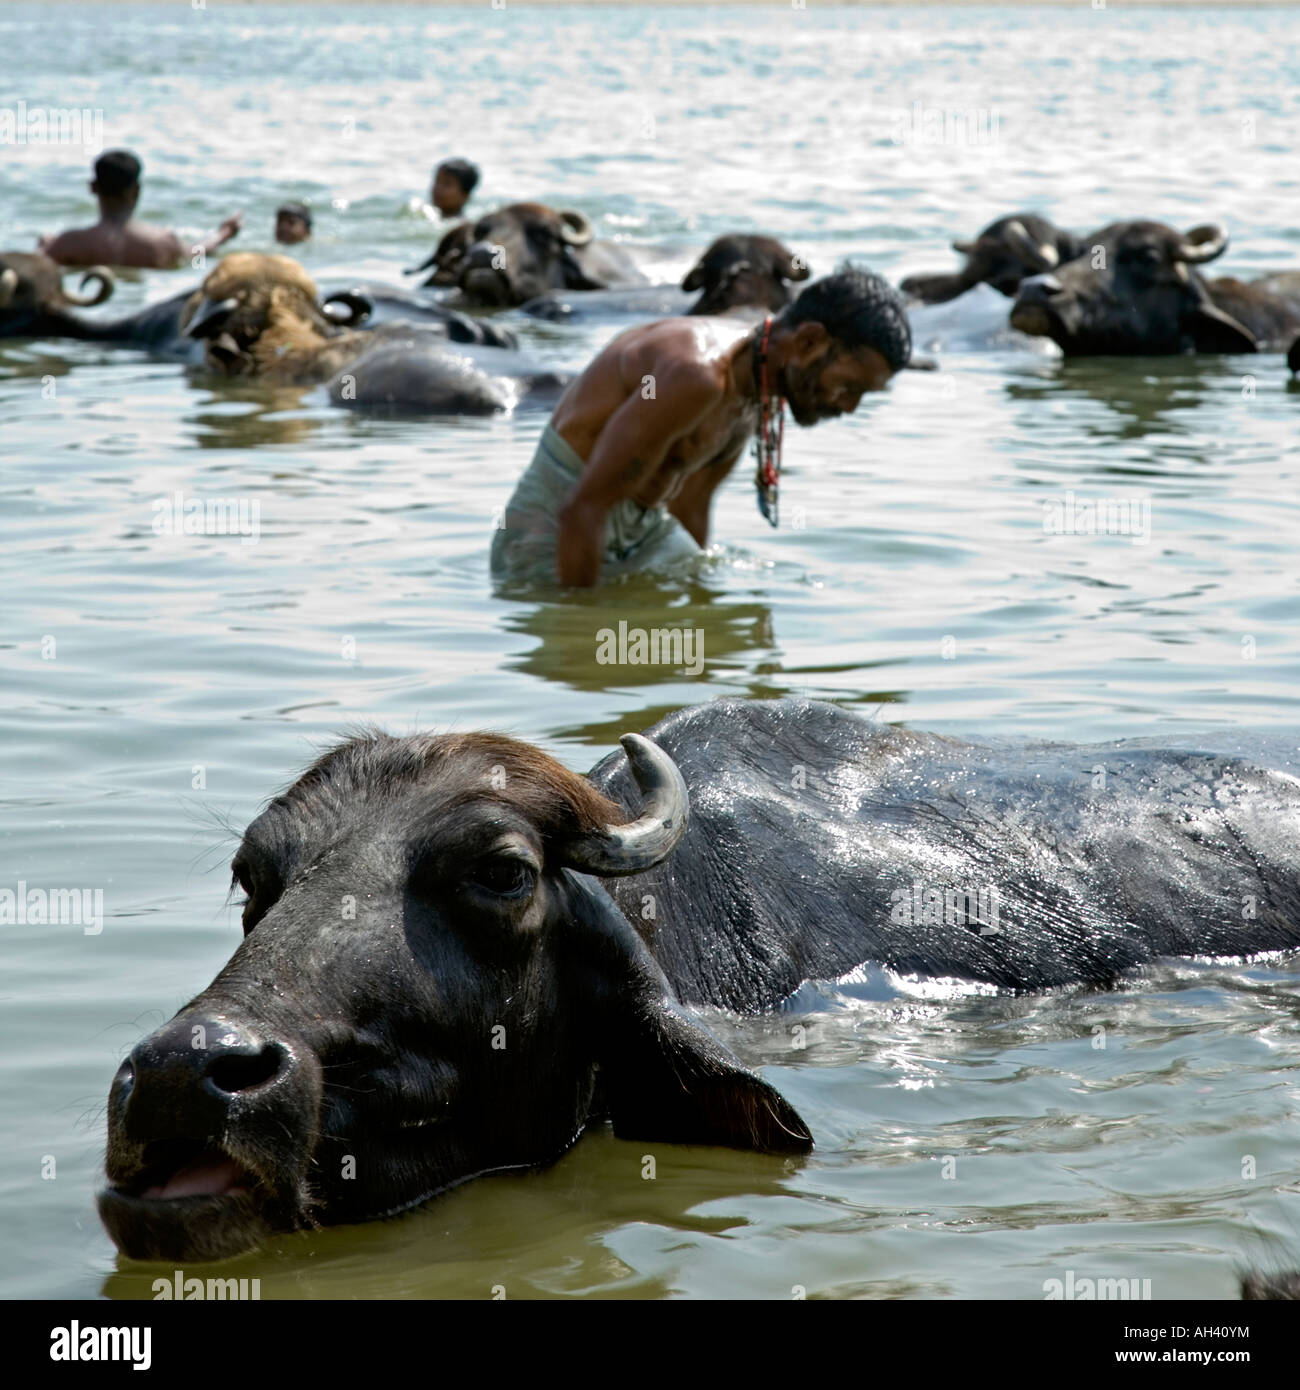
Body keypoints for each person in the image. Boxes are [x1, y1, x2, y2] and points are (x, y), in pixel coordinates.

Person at [490, 267, 913, 588]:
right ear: (808, 342)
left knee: (704, 642)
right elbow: (584, 507)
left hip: (645, 528)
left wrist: (692, 604)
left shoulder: (759, 381)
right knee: (610, 657)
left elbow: (692, 503)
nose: (851, 406)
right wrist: (583, 631)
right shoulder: (697, 376)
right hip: (554, 529)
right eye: (848, 387)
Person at [38, 150, 242, 270]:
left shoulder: (69, 244)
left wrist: (43, 247)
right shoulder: (163, 242)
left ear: (93, 187)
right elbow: (197, 256)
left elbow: (35, 267)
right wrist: (224, 233)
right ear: (136, 191)